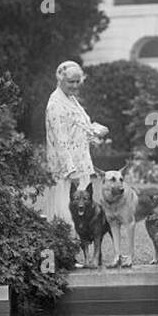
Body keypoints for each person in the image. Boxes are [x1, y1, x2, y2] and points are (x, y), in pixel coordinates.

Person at [44, 61, 108, 236]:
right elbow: (60, 140)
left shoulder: (71, 100)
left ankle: (78, 254)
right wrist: (70, 170)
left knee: (81, 214)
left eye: (77, 81)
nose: (74, 85)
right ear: (60, 80)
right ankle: (64, 253)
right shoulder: (55, 104)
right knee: (65, 212)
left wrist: (95, 131)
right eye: (70, 81)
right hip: (66, 169)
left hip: (81, 164)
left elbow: (79, 126)